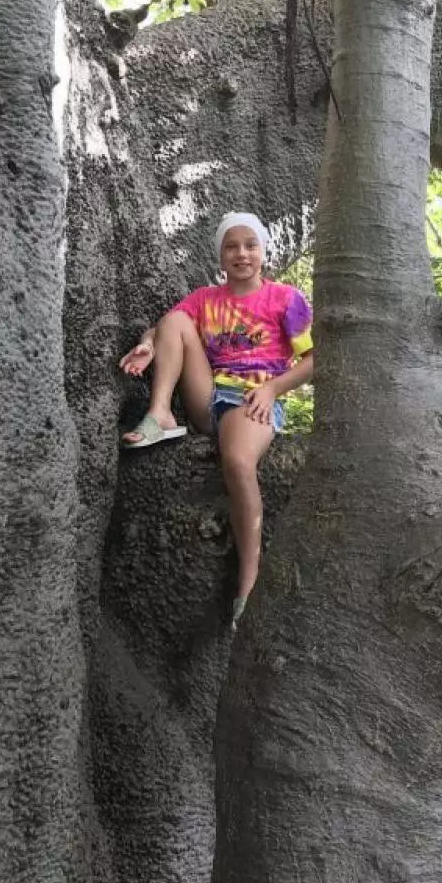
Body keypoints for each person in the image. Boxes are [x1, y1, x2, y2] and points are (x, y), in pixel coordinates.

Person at [119, 211, 314, 625]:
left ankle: (249, 581)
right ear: (220, 256)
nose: (241, 253)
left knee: (239, 464)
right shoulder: (207, 299)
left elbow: (314, 360)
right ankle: (161, 415)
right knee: (174, 320)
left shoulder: (285, 298)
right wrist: (146, 347)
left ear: (263, 251)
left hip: (253, 399)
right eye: (231, 246)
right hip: (209, 394)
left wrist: (273, 388)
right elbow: (164, 328)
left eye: (250, 245)